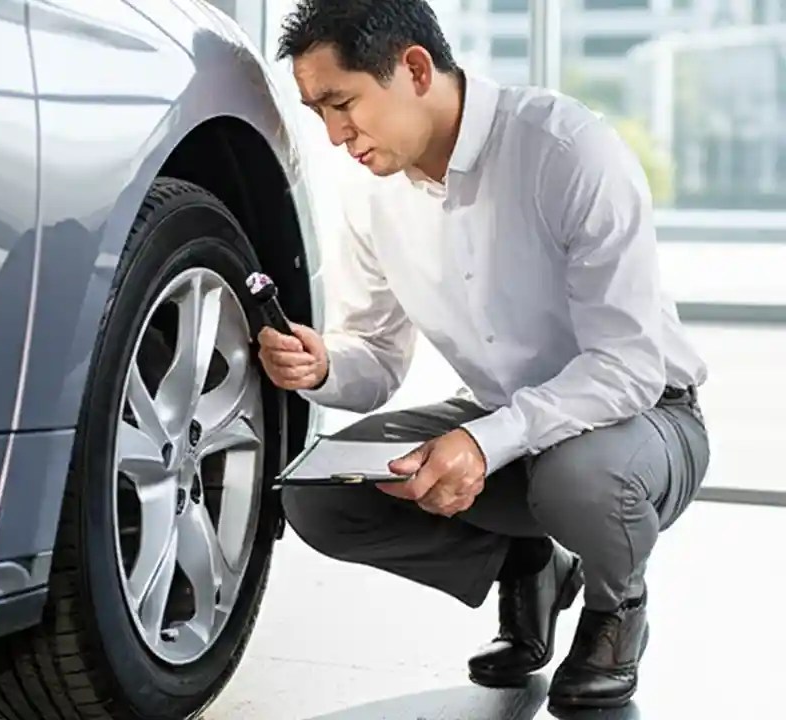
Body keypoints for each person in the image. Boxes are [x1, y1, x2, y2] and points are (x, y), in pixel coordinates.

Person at [259, 0, 710, 711]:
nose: (335, 133)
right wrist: (323, 366)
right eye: (317, 112)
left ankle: (614, 607)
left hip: (645, 421)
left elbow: (627, 365)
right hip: (507, 431)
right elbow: (376, 357)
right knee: (317, 495)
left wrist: (483, 439)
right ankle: (528, 564)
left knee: (577, 478)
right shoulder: (373, 197)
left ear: (412, 68)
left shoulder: (566, 149)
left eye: (341, 102)